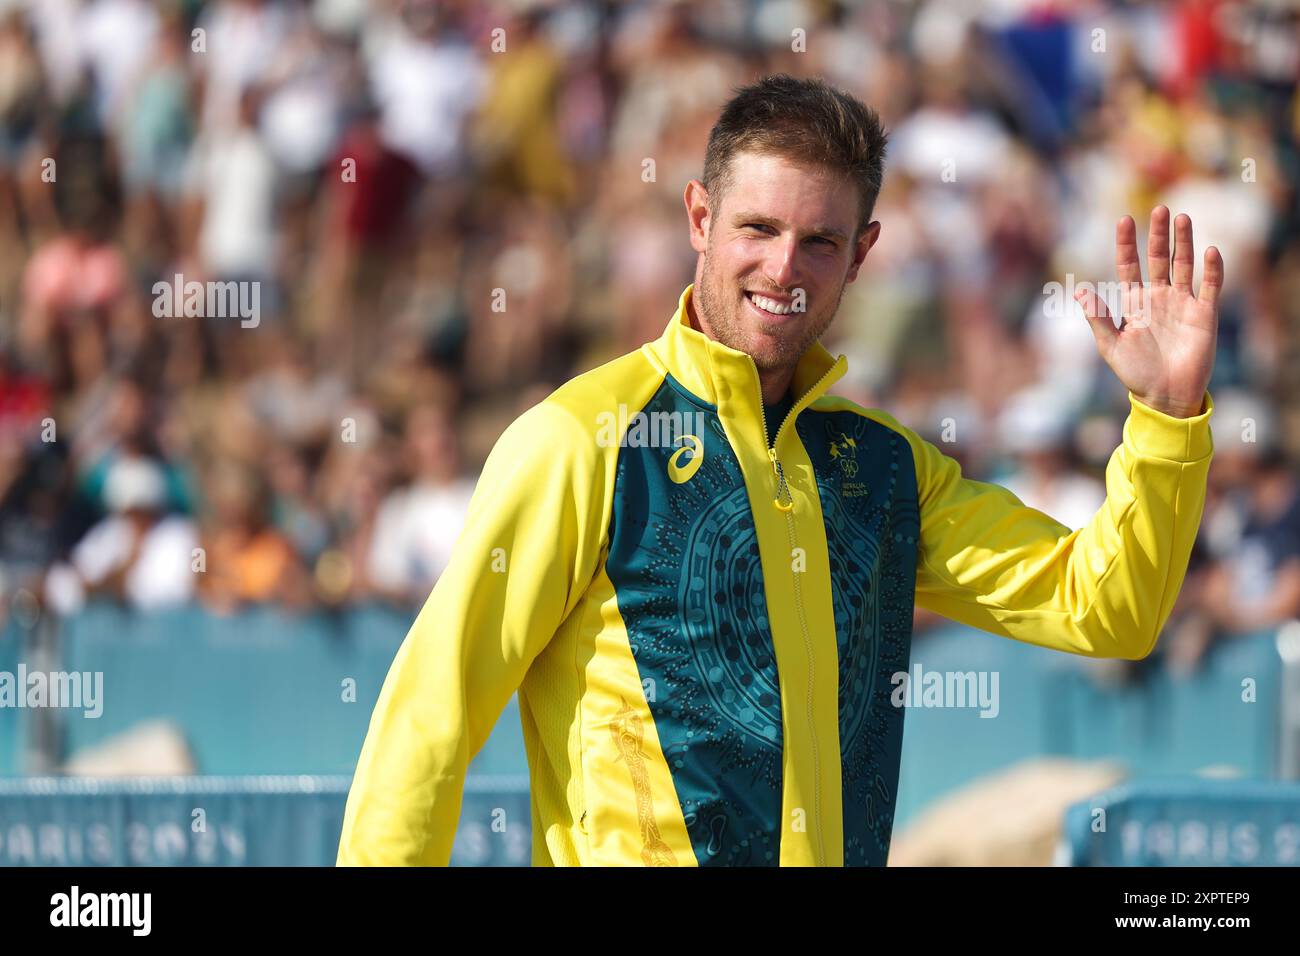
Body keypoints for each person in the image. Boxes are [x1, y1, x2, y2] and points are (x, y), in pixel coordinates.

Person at [337, 75, 1221, 867]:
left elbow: (1107, 611)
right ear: (698, 218)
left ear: (864, 253)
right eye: (757, 228)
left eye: (820, 242)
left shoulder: (883, 467)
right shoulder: (580, 440)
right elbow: (429, 718)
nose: (783, 269)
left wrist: (1168, 420)